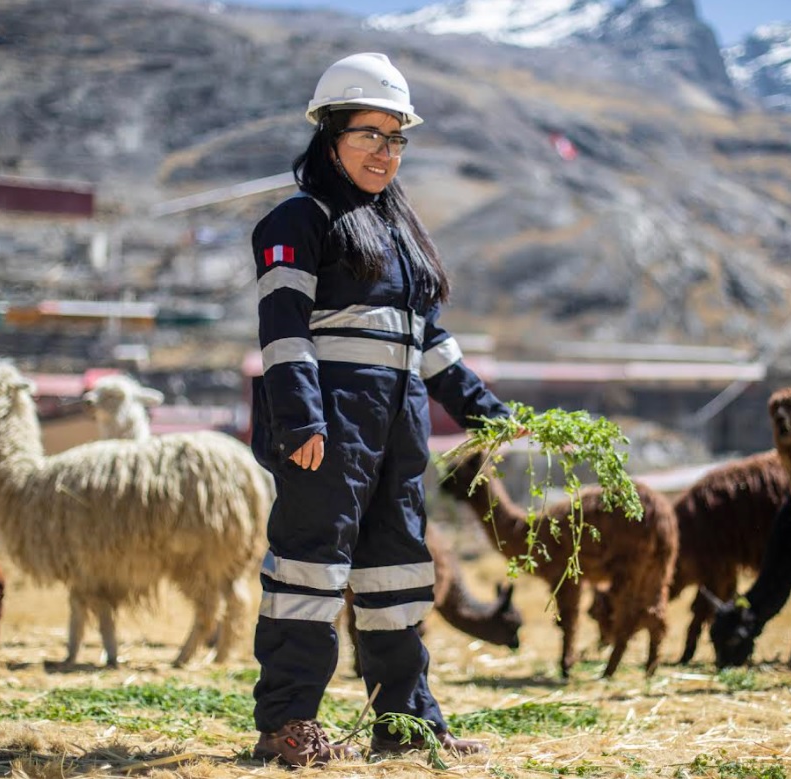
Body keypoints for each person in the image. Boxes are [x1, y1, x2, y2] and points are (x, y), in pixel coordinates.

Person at [249, 52, 512, 767]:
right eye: (368, 134)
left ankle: (405, 722)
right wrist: (301, 420)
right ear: (329, 134)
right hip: (326, 431)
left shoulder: (399, 236)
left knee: (398, 576)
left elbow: (431, 344)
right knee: (306, 574)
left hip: (397, 436)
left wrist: (485, 412)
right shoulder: (298, 220)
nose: (383, 152)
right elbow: (283, 329)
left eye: (395, 138)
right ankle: (287, 723)